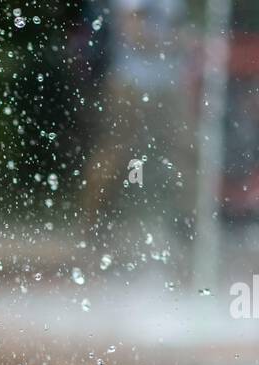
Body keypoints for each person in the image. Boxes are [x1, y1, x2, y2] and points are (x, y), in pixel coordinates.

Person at [81, 0, 192, 247]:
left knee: (183, 151)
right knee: (116, 152)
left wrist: (177, 41)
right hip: (130, 82)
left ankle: (183, 224)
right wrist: (176, 42)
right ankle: (94, 224)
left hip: (169, 84)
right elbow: (133, 33)